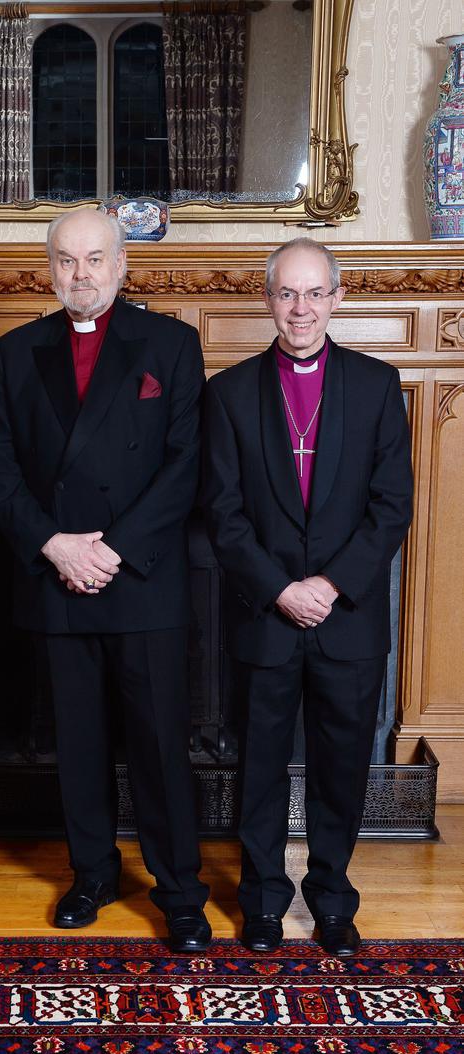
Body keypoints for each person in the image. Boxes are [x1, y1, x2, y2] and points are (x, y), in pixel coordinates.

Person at [0, 207, 210, 953]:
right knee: (76, 742)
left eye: (95, 258)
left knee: (159, 745)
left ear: (122, 264)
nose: (81, 274)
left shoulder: (172, 345)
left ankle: (179, 890)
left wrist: (111, 550)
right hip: (58, 574)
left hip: (140, 577)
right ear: (49, 268)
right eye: (66, 261)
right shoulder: (16, 351)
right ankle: (92, 874)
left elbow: (186, 465)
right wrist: (55, 544)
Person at [203, 237, 413, 957]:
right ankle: (261, 900)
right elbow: (222, 514)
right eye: (287, 294)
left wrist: (326, 586)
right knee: (258, 764)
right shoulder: (227, 393)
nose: (301, 309)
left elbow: (391, 506)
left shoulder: (378, 385)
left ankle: (330, 896)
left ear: (338, 297)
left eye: (314, 293)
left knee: (340, 766)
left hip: (347, 619)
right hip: (264, 618)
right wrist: (279, 588)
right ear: (268, 300)